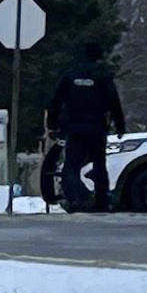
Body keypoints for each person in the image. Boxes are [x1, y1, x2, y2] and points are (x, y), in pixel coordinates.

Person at [47, 44, 125, 212]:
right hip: (96, 127)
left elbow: (56, 100)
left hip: (74, 127)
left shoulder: (70, 75)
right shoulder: (102, 75)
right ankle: (101, 200)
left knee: (72, 165)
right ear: (99, 56)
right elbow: (114, 101)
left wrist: (53, 124)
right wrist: (120, 125)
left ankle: (75, 199)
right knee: (99, 164)